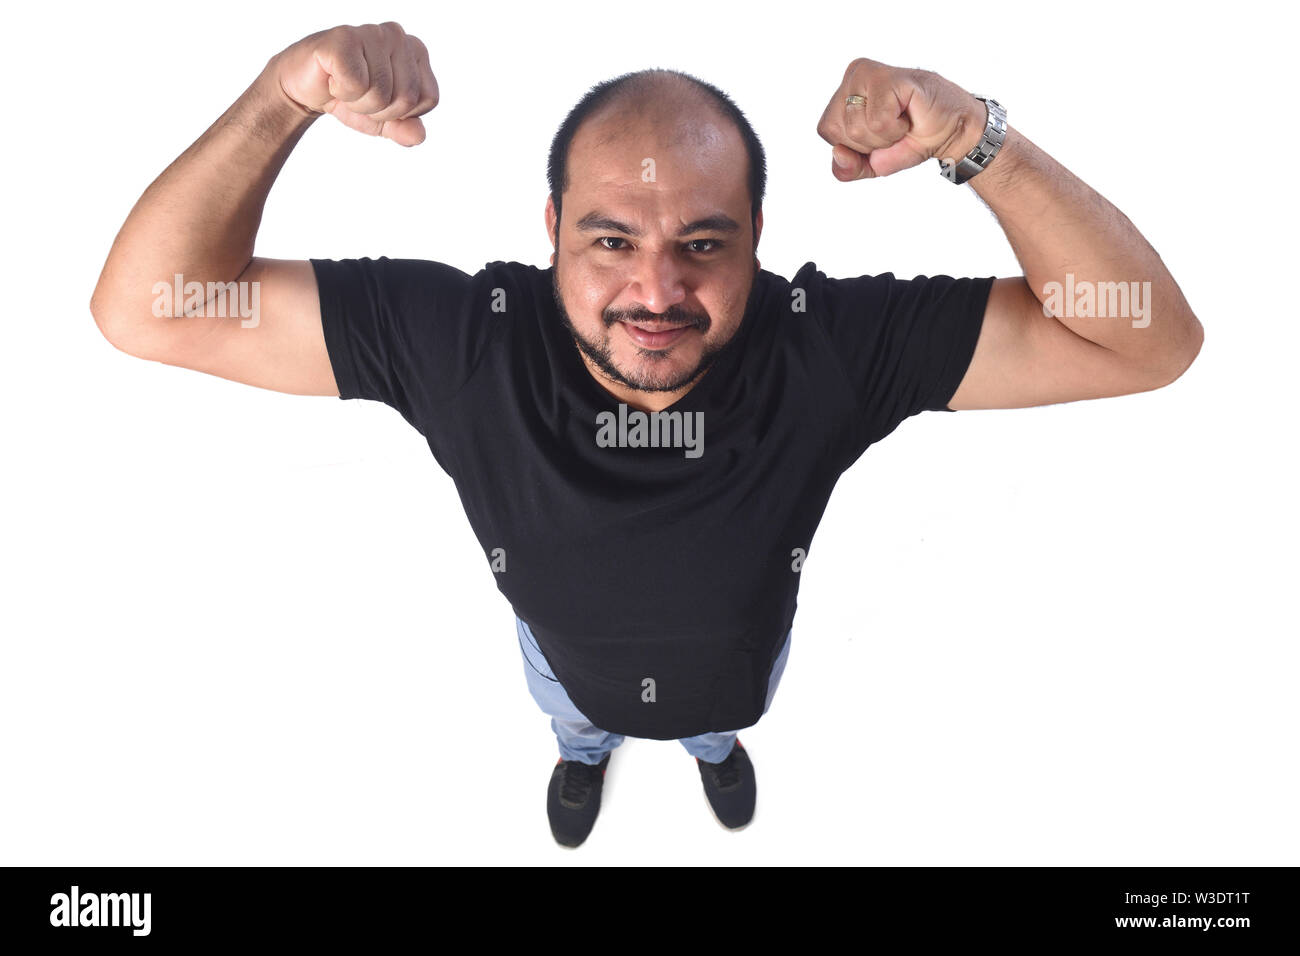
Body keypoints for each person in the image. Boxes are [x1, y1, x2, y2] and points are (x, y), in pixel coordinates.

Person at [90, 22, 1203, 849]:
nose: (656, 289)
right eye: (611, 238)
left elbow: (1144, 343)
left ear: (760, 239)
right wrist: (283, 94)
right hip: (562, 663)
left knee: (723, 717)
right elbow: (149, 306)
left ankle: (714, 748)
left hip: (739, 669)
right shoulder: (457, 338)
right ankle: (584, 759)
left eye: (705, 243)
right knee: (573, 716)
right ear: (551, 232)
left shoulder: (829, 345)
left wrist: (974, 137)